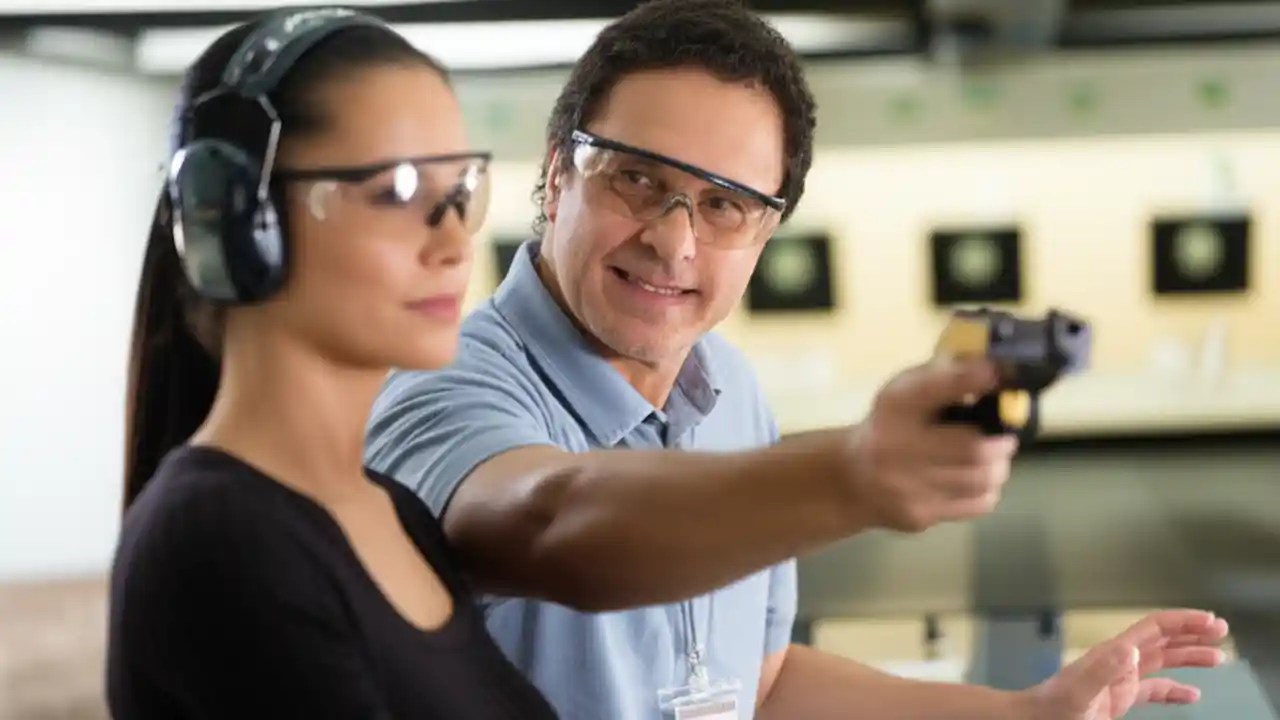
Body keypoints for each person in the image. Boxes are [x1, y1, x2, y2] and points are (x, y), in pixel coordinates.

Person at [364, 1, 1230, 718]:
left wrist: (1022, 711)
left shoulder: (732, 392)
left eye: (724, 204)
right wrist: (850, 474)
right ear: (557, 177)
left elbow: (765, 685)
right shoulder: (445, 380)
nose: (673, 240)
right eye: (634, 179)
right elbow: (547, 525)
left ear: (767, 232)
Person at [106, 8, 560, 718]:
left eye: (458, 193)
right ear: (237, 216)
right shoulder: (221, 537)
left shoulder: (394, 512)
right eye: (397, 192)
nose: (452, 245)